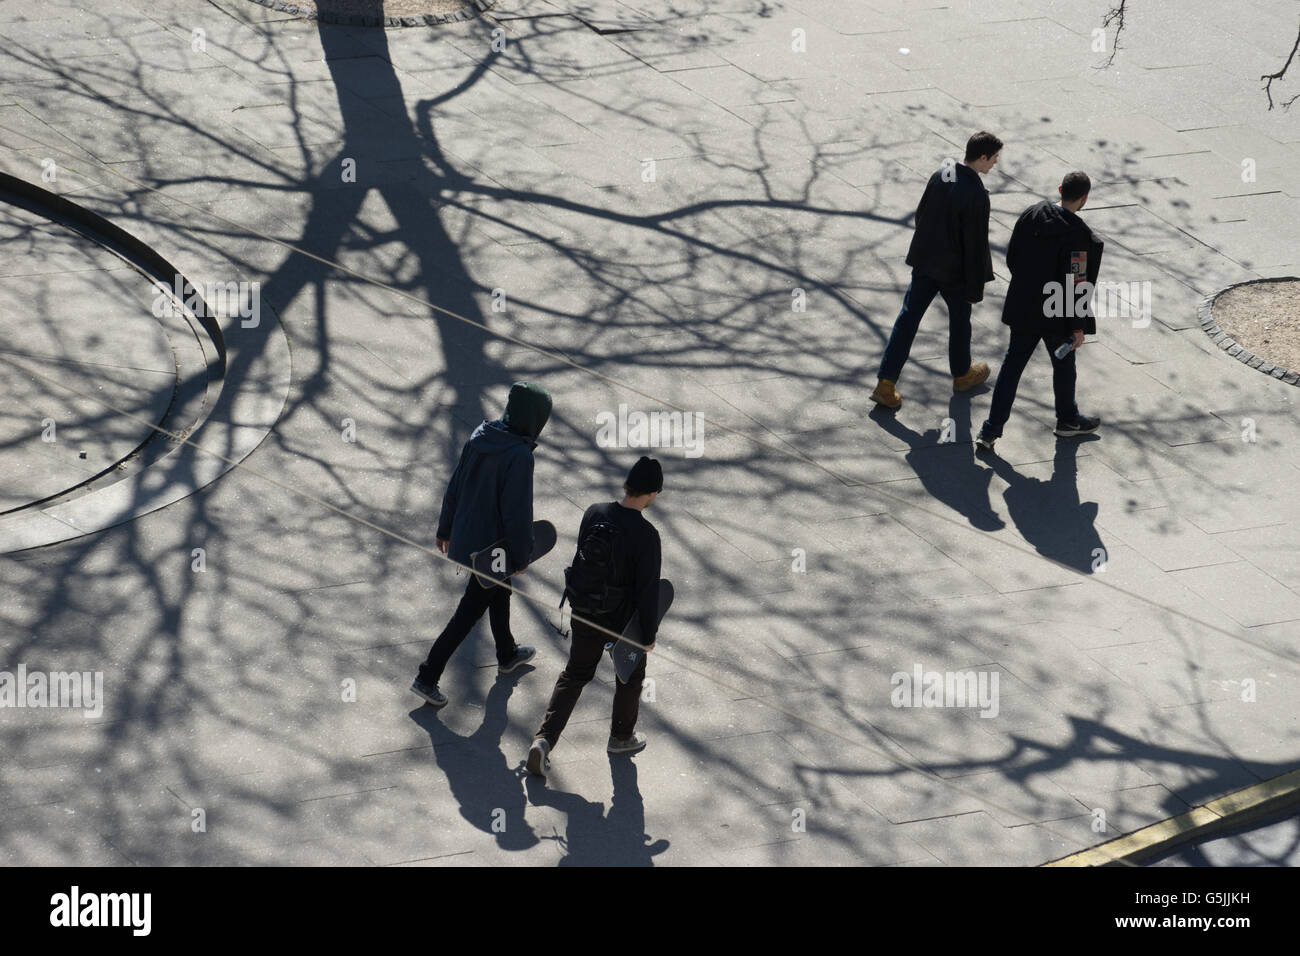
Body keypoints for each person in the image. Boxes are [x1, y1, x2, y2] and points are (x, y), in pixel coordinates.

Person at [411, 381, 553, 708]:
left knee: (500, 592)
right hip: (493, 550)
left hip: (468, 538)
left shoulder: (481, 435)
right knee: (469, 611)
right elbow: (517, 512)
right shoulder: (519, 456)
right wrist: (521, 556)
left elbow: (456, 485)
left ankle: (507, 654)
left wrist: (445, 527)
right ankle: (427, 676)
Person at [527, 457, 664, 778]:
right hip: (620, 622)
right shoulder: (647, 534)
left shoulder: (594, 512)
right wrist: (648, 635)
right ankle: (621, 737)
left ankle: (544, 740)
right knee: (629, 676)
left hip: (585, 611)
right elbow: (647, 592)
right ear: (651, 493)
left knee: (575, 675)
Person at [870, 131, 1002, 410]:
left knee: (907, 320)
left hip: (926, 262)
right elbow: (975, 245)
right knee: (960, 322)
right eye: (994, 158)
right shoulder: (977, 194)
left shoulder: (942, 174)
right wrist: (975, 289)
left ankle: (885, 383)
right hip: (955, 273)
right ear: (982, 157)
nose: (995, 163)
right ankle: (962, 374)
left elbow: (921, 214)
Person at [976, 171, 1103, 453]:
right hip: (1056, 313)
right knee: (1064, 365)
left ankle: (990, 430)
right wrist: (1078, 327)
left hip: (1024, 306)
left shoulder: (1032, 214)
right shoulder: (1078, 235)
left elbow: (1012, 257)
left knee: (1012, 366)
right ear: (1084, 198)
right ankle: (1067, 420)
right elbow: (1076, 284)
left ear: (1060, 189)